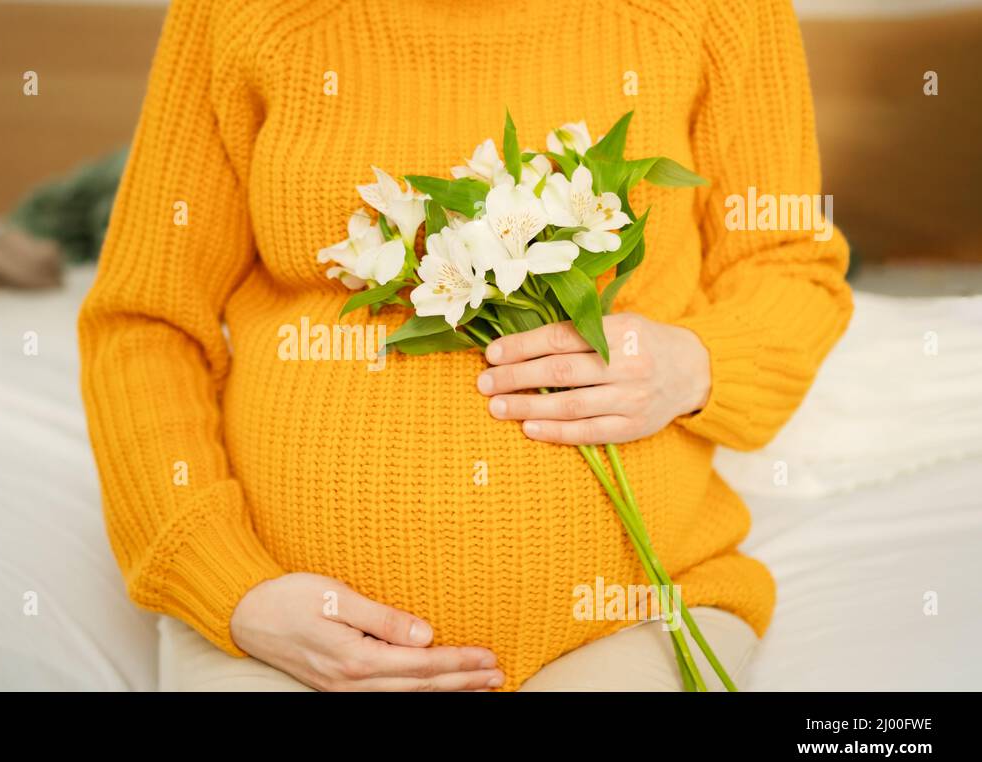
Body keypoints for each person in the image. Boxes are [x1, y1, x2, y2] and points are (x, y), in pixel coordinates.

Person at [78, 0, 852, 691]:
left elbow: (785, 261)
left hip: (627, 620)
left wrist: (697, 364)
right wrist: (232, 592)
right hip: (282, 635)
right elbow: (145, 322)